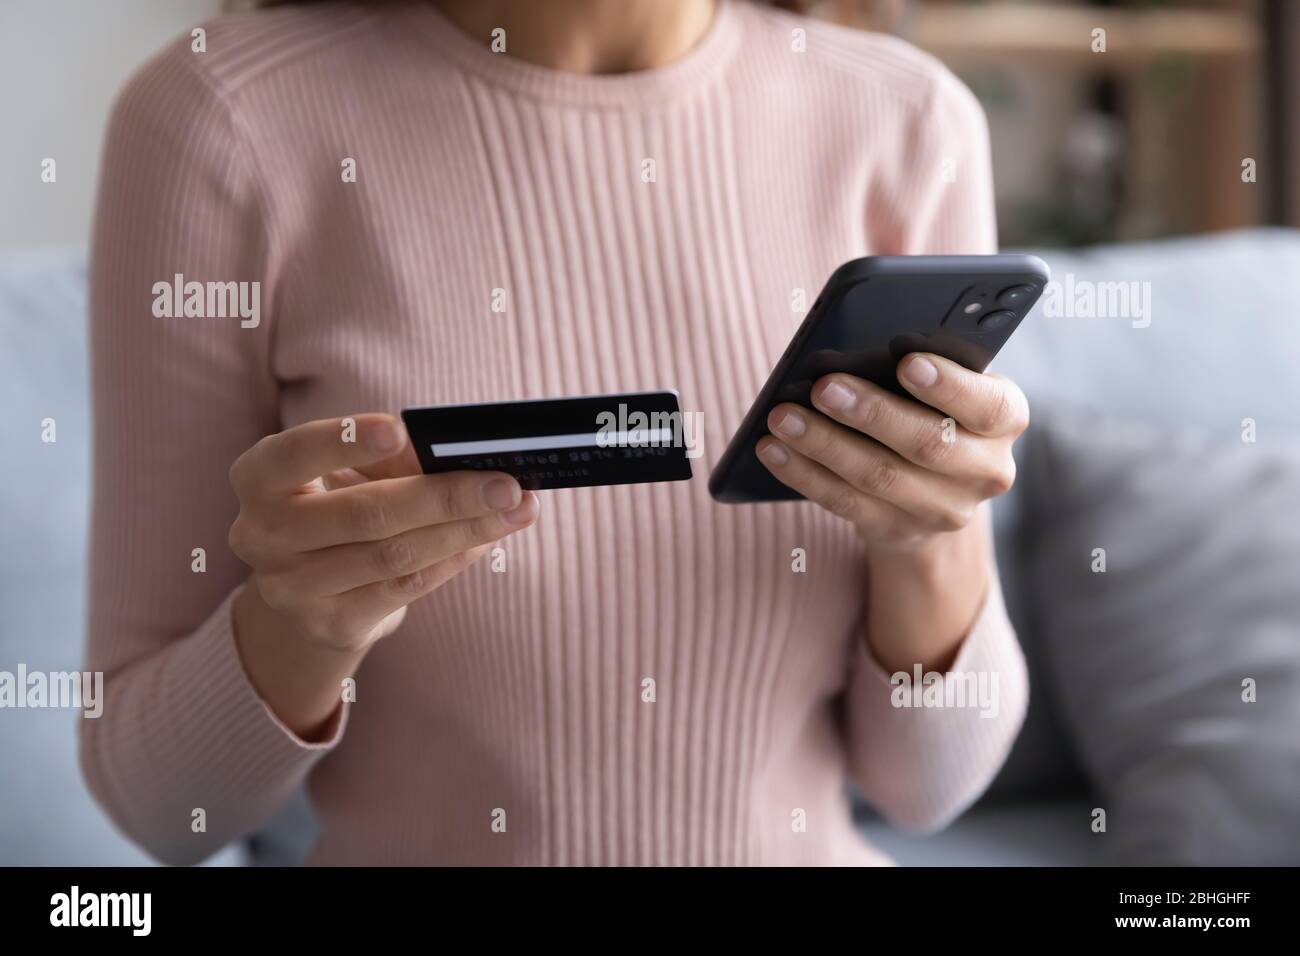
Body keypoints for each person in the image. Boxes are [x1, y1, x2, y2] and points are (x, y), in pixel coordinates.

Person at [83, 0, 1028, 866]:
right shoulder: (220, 122)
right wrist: (299, 624)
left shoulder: (905, 120)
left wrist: (926, 544)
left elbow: (928, 789)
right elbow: (159, 807)